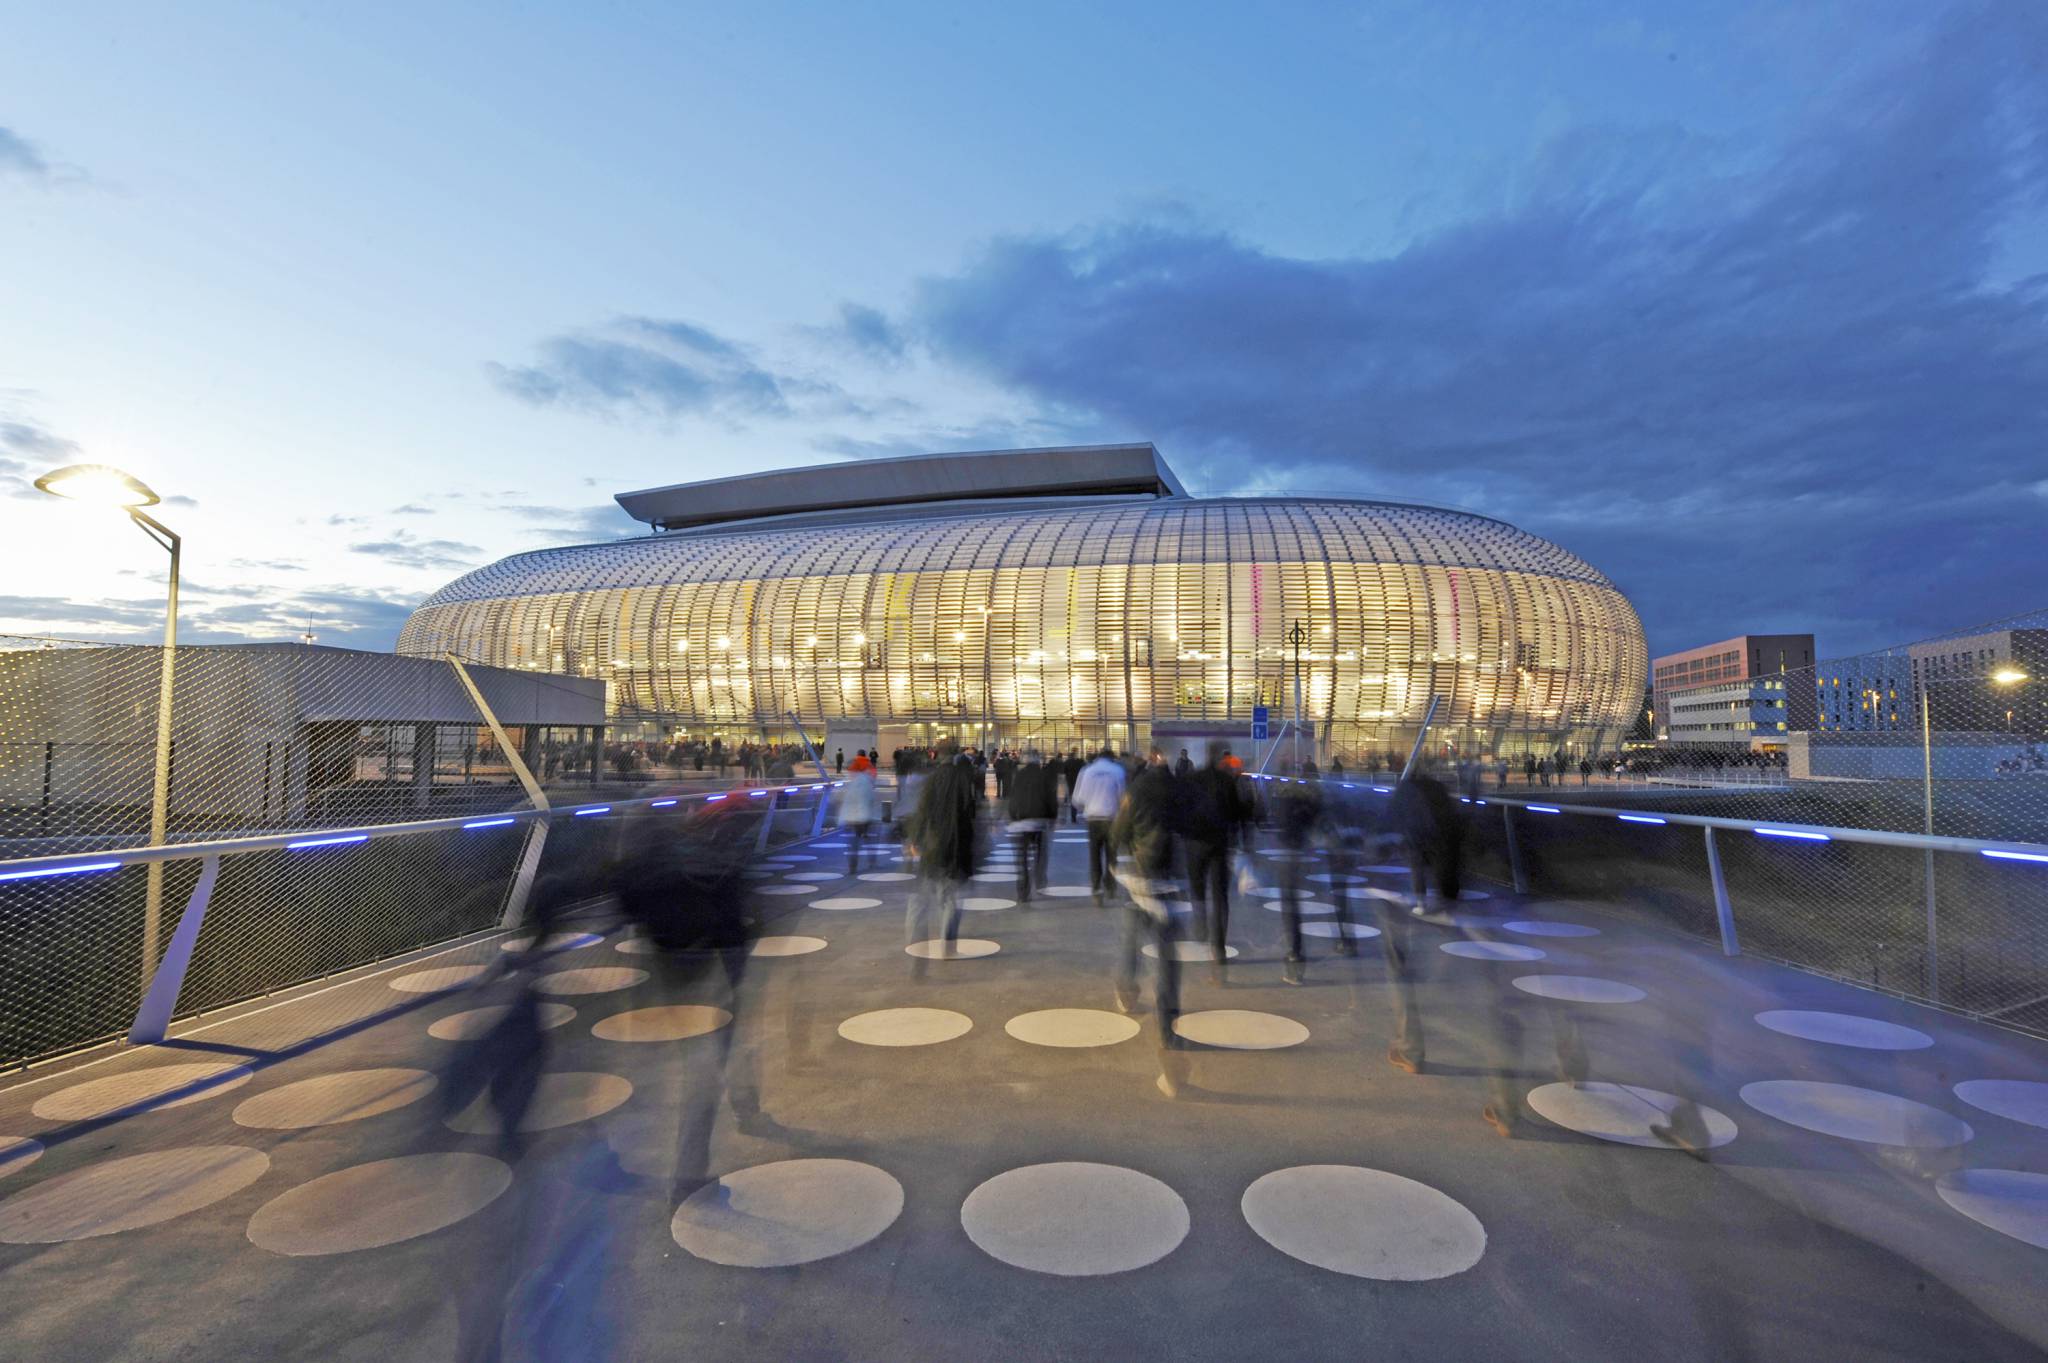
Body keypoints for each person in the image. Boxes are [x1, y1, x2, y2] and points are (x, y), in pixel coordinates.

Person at [1111, 749, 1188, 1097]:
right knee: (1168, 954)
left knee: (1131, 938)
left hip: (1140, 878)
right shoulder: (1180, 790)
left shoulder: (1137, 790)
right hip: (1171, 881)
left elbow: (1119, 831)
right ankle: (1167, 1026)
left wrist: (1122, 851)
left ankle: (1127, 990)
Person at [904, 745, 978, 964]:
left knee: (921, 895)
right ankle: (948, 945)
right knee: (951, 897)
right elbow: (970, 813)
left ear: (938, 756)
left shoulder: (932, 779)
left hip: (932, 844)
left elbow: (922, 811)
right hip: (954, 845)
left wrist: (915, 840)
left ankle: (914, 940)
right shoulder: (963, 780)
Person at [1181, 747, 1243, 971]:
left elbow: (1182, 809)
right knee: (1220, 896)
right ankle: (1219, 949)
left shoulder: (1192, 779)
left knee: (1197, 886)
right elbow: (1237, 812)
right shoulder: (1227, 782)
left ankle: (1199, 921)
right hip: (1220, 844)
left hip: (1195, 843)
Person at [1268, 763, 1324, 984]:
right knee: (1298, 907)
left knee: (1290, 907)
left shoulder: (1283, 799)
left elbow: (1277, 823)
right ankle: (1297, 955)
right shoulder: (1311, 799)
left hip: (1288, 856)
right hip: (1306, 854)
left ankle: (1294, 955)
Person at [1072, 749, 1129, 905]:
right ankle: (1110, 886)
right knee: (1112, 855)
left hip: (1093, 819)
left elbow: (1078, 798)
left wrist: (1088, 804)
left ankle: (1096, 889)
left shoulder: (1087, 771)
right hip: (1112, 819)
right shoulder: (1118, 771)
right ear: (1111, 758)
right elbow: (1123, 796)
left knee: (1095, 856)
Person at [1005, 748, 1059, 902]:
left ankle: (1023, 890)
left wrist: (1013, 815)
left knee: (1021, 858)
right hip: (1039, 821)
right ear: (1038, 760)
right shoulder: (1045, 776)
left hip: (1020, 822)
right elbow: (1051, 798)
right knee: (1040, 854)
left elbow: (1013, 797)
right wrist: (1052, 816)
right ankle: (1040, 879)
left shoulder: (1019, 775)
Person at [837, 758, 882, 873]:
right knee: (866, 841)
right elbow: (870, 799)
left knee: (854, 844)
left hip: (855, 817)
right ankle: (871, 862)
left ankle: (853, 867)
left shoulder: (855, 781)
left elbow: (847, 798)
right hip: (863, 817)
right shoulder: (865, 780)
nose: (849, 771)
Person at [1062, 750, 1085, 822]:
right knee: (1079, 798)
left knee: (1072, 799)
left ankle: (1072, 817)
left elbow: (1063, 772)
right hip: (1079, 782)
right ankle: (1080, 814)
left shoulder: (1067, 762)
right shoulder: (1079, 762)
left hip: (1070, 783)